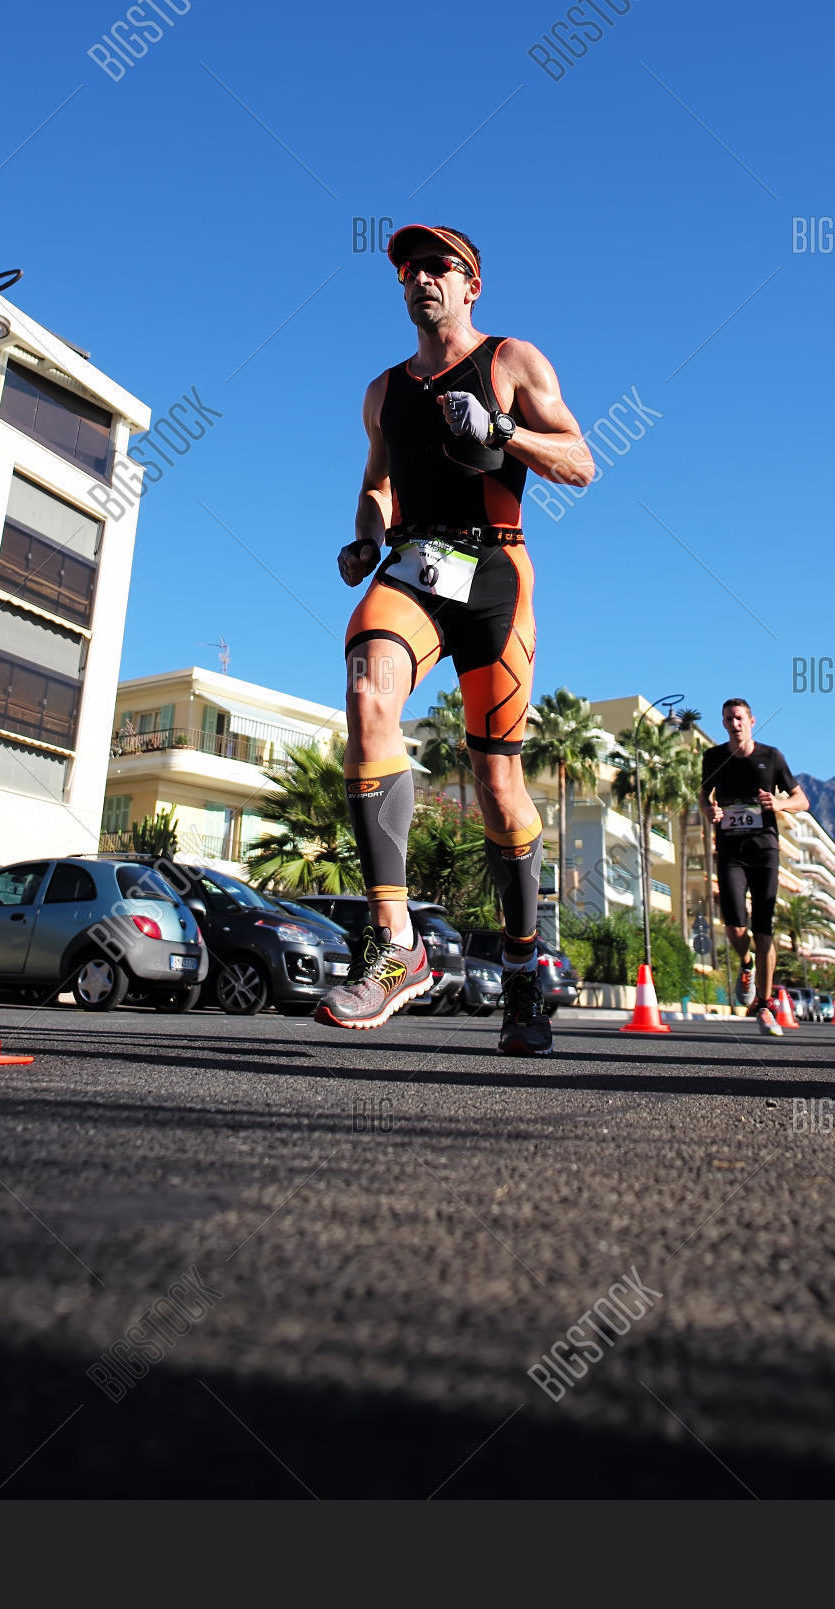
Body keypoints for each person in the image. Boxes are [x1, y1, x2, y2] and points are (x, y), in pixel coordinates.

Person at [319, 224, 594, 1055]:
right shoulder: (382, 392)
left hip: (498, 574)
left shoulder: (513, 362)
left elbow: (582, 462)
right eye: (408, 267)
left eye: (440, 265)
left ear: (472, 285)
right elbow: (377, 484)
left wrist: (503, 435)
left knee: (497, 784)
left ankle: (520, 973)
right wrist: (367, 535)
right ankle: (395, 942)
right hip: (414, 564)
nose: (421, 278)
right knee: (368, 690)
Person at [701, 699, 810, 1036]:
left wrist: (779, 803)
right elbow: (705, 796)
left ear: (751, 721)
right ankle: (745, 964)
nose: (734, 723)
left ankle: (763, 1005)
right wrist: (710, 811)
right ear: (724, 724)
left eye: (739, 718)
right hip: (731, 850)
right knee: (734, 925)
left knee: (763, 930)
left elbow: (802, 800)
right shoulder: (713, 758)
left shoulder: (771, 757)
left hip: (764, 850)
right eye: (728, 719)